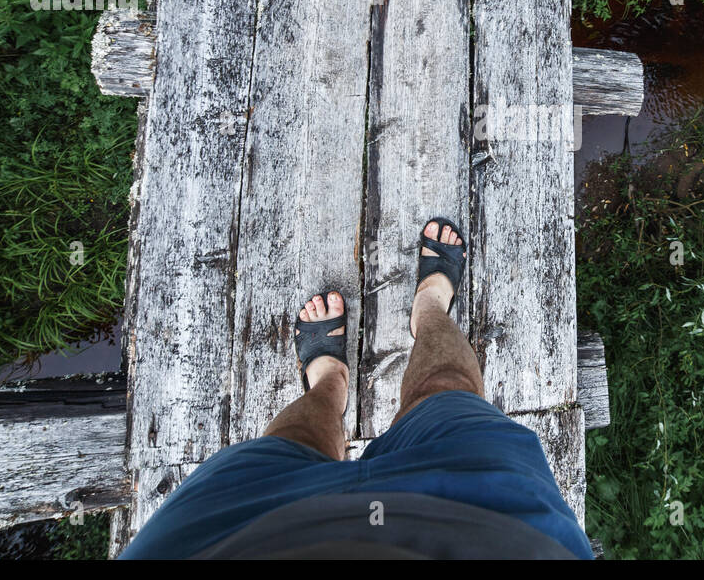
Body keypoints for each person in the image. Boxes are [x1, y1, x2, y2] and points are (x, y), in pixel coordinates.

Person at [119, 218, 592, 559]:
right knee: (448, 390)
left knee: (295, 444)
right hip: (493, 525)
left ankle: (330, 382)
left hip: (232, 537)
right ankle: (429, 308)